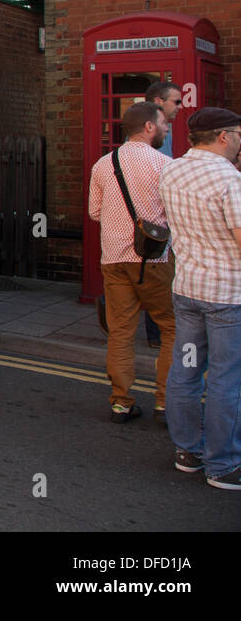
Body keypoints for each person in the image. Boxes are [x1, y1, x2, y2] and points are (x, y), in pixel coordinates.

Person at [159, 107, 241, 489]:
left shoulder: (172, 171)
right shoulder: (230, 179)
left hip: (188, 290)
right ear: (223, 136)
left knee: (186, 371)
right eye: (238, 134)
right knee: (226, 378)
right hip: (228, 297)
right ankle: (223, 466)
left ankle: (188, 452)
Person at [87, 101, 175, 423]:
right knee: (172, 329)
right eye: (164, 123)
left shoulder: (102, 164)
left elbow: (94, 213)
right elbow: (174, 215)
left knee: (121, 333)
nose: (167, 128)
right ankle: (165, 403)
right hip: (154, 260)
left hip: (113, 259)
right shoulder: (165, 164)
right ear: (149, 127)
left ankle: (121, 403)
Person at [143, 81, 184, 347]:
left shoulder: (163, 134)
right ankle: (157, 334)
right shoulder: (155, 137)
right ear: (159, 102)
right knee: (155, 277)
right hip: (154, 221)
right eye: (176, 101)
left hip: (160, 220)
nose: (181, 106)